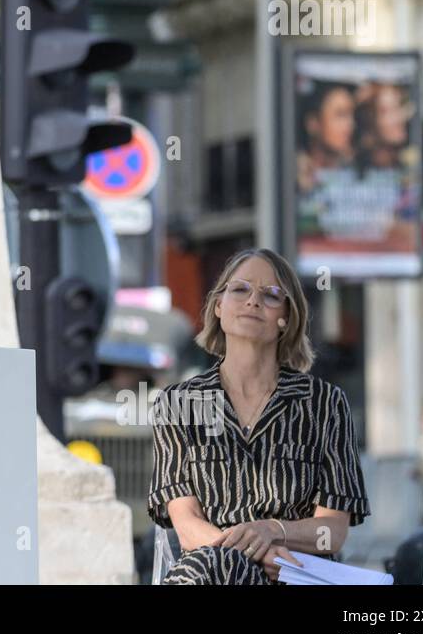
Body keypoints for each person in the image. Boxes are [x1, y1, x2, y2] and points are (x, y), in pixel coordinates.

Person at [148, 248, 370, 584]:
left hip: (293, 573)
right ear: (218, 307)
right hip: (210, 572)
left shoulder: (326, 404)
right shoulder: (177, 404)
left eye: (270, 295)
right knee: (219, 567)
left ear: (286, 317)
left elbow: (333, 532)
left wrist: (273, 530)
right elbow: (188, 527)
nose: (253, 301)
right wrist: (255, 553)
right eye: (240, 289)